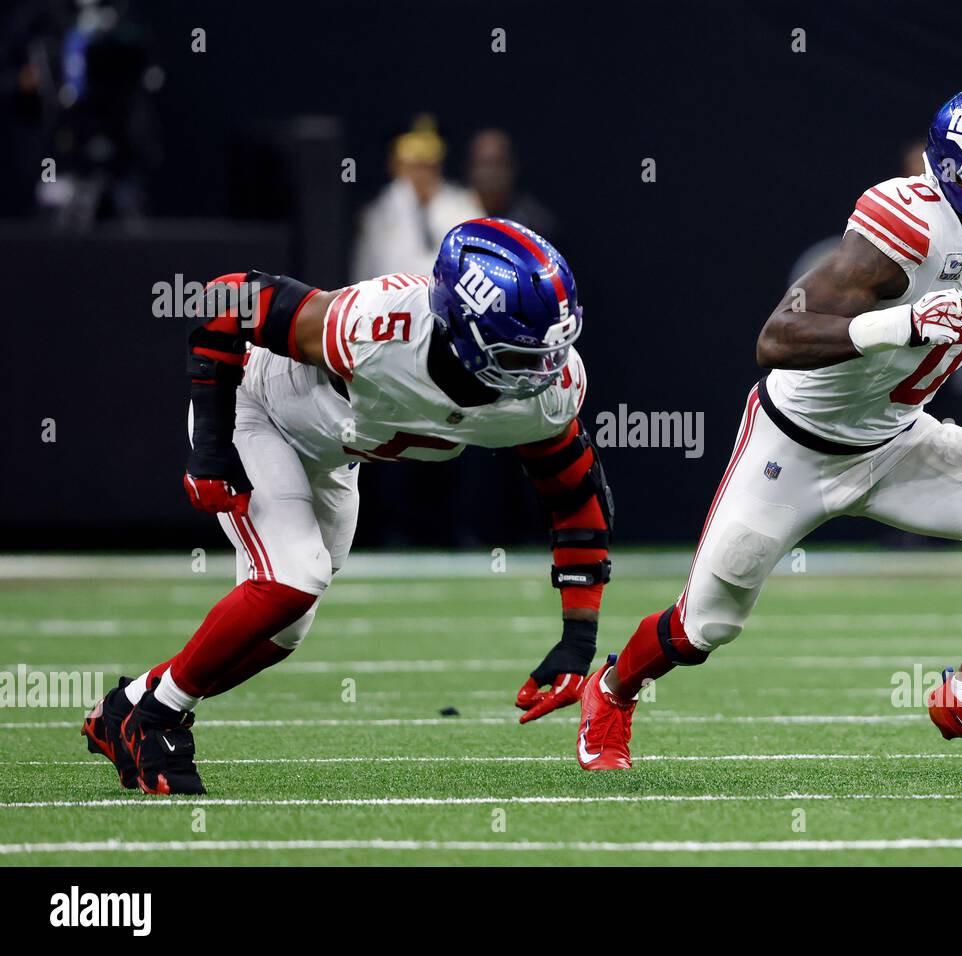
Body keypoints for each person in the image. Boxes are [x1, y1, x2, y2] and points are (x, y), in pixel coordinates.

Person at [575, 85, 962, 774]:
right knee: (703, 627)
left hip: (898, 438)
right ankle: (611, 690)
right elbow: (777, 338)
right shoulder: (906, 229)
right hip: (795, 444)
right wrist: (900, 323)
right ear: (960, 175)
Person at [82, 219, 612, 794]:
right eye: (520, 354)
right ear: (462, 326)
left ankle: (128, 708)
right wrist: (210, 448)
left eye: (551, 351)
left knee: (285, 628)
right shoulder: (378, 329)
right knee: (293, 579)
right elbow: (230, 299)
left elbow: (574, 494)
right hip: (257, 409)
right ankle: (159, 718)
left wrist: (577, 638)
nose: (543, 372)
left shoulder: (548, 390)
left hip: (332, 452)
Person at [351, 115, 483, 280]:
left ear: (438, 166)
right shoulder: (378, 214)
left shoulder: (464, 206)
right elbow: (365, 274)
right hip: (393, 302)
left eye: (427, 166)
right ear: (395, 166)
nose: (421, 175)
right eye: (413, 166)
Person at [467, 128, 558, 240]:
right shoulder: (451, 212)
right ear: (469, 168)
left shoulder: (535, 224)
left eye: (497, 163)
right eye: (483, 163)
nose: (490, 173)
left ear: (512, 167)